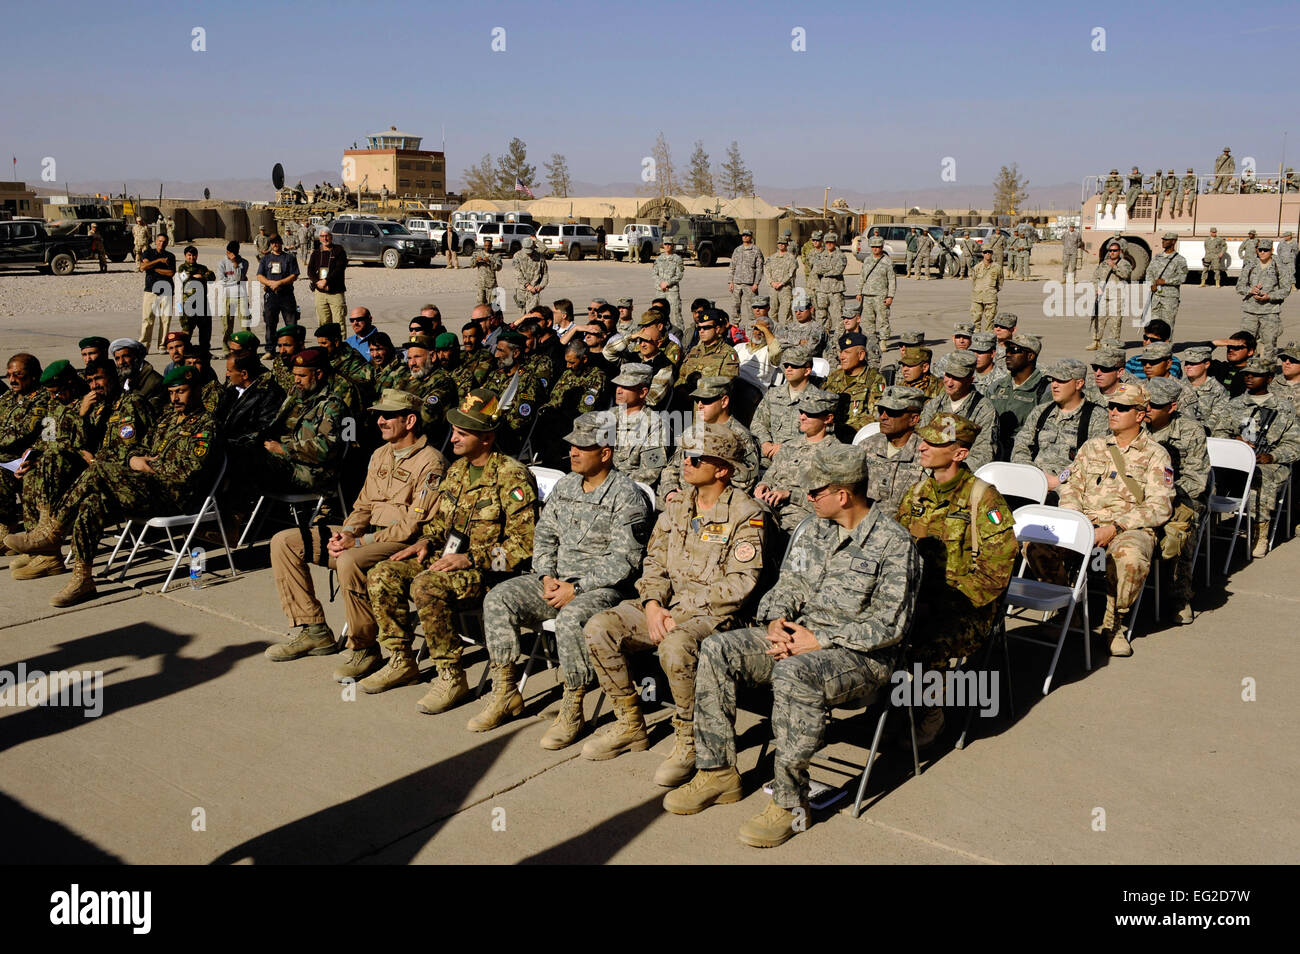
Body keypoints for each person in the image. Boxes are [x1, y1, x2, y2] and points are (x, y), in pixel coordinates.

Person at [663, 441, 918, 847]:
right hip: (799, 639)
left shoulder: (893, 543)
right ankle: (717, 772)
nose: (808, 498)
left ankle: (790, 801)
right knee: (719, 649)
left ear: (843, 494)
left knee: (796, 673)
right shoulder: (814, 530)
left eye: (815, 492)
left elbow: (889, 625)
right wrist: (777, 621)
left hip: (860, 657)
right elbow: (789, 587)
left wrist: (819, 640)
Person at [581, 423, 767, 787]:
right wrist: (652, 604)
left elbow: (741, 584)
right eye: (685, 455)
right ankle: (630, 723)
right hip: (664, 607)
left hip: (715, 616)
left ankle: (689, 738)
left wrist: (678, 612)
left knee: (676, 644)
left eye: (696, 458)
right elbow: (654, 562)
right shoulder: (679, 504)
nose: (686, 462)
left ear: (723, 469)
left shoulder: (746, 513)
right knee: (600, 627)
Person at [473, 411, 652, 744]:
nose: (573, 452)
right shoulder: (567, 485)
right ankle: (505, 691)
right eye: (572, 446)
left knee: (571, 619)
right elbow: (545, 535)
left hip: (600, 590)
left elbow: (626, 560)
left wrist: (577, 588)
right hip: (554, 581)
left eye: (582, 448)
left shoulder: (627, 496)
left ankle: (573, 705)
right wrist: (545, 576)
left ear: (606, 452)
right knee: (499, 598)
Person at [364, 389, 538, 709]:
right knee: (382, 573)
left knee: (426, 584)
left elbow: (523, 546)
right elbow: (440, 524)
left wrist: (471, 558)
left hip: (489, 572)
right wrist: (424, 542)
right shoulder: (457, 470)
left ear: (485, 438)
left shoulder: (511, 475)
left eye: (462, 432)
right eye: (454, 431)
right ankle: (402, 660)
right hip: (446, 560)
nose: (453, 438)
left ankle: (451, 675)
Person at [265, 388, 448, 679]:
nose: (380, 422)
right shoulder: (379, 455)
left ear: (410, 421)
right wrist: (346, 532)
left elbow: (413, 526)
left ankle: (364, 647)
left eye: (388, 416)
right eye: (379, 416)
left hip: (401, 544)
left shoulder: (431, 462)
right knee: (285, 542)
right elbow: (363, 505)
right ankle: (313, 629)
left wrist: (359, 541)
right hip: (365, 537)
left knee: (349, 559)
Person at [7, 366, 220, 607]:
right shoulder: (168, 418)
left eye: (181, 392)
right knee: (92, 502)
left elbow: (190, 472)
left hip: (176, 496)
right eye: (171, 392)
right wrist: (133, 460)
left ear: (197, 390)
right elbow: (140, 448)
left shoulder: (206, 424)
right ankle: (82, 578)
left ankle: (52, 532)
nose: (175, 398)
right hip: (149, 488)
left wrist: (148, 467)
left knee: (98, 470)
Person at [897, 413, 1018, 744]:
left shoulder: (983, 498)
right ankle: (882, 699)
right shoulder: (918, 492)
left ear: (959, 454)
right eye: (924, 440)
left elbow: (996, 571)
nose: (922, 446)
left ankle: (930, 714)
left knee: (925, 643)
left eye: (934, 443)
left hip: (966, 609)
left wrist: (937, 606)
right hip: (915, 598)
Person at [1030, 383, 1174, 656]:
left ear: (1141, 414)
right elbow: (1070, 484)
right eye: (1111, 406)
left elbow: (1160, 505)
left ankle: (1114, 623)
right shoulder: (1092, 446)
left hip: (1128, 526)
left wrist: (1115, 527)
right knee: (1037, 545)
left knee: (1129, 557)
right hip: (1085, 521)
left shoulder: (1156, 454)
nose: (1114, 411)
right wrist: (1074, 516)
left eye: (1122, 407)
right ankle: (1066, 610)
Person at [1211, 357, 1300, 558]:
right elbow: (1219, 431)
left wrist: (1273, 456)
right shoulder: (1234, 404)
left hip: (1267, 462)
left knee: (1262, 477)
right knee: (1207, 472)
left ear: (1269, 378)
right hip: (1234, 459)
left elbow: (1294, 444)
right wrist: (1235, 440)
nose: (1249, 378)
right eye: (1247, 374)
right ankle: (1209, 522)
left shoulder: (1284, 408)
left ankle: (1260, 530)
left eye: (1256, 375)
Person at [1143, 376, 1209, 624]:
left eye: (1154, 405)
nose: (1147, 409)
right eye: (1145, 403)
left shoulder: (1191, 431)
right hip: (1137, 494)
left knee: (1180, 527)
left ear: (1172, 406)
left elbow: (1197, 481)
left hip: (1180, 496)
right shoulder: (1135, 425)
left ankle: (1180, 596)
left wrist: (1161, 493)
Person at [1011, 359, 1108, 495]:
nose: (1054, 385)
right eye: (1053, 380)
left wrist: (1059, 480)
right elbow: (1021, 446)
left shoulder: (1097, 417)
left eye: (1061, 381)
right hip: (1032, 481)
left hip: (1070, 489)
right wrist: (1034, 474)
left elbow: (1094, 460)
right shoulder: (1041, 412)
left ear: (1079, 383)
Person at [755, 388, 842, 531]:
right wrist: (762, 486)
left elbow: (830, 501)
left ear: (828, 418)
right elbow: (771, 475)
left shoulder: (835, 453)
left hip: (800, 516)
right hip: (769, 506)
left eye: (810, 414)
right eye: (801, 412)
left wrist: (789, 495)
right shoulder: (789, 445)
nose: (802, 417)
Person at [920, 351, 999, 472]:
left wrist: (952, 473)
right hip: (930, 470)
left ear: (970, 380)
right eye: (948, 375)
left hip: (961, 475)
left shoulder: (984, 410)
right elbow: (921, 441)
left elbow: (983, 454)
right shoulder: (934, 405)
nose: (949, 382)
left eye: (957, 378)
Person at [0, 354, 49, 538]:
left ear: (34, 375)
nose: (12, 380)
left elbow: (22, 432)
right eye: (9, 375)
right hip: (6, 455)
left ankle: (18, 530)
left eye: (17, 375)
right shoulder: (8, 398)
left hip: (28, 456)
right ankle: (6, 524)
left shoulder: (42, 399)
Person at [859, 385, 927, 514]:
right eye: (881, 410)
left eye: (892, 412)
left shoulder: (926, 453)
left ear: (914, 419)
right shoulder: (866, 447)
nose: (883, 417)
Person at [988, 333, 1049, 459]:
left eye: (1014, 350)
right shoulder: (996, 387)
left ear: (1030, 356)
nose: (1008, 354)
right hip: (994, 454)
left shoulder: (1044, 391)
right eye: (1007, 350)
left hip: (1024, 456)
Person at [608, 363, 668, 485]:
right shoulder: (609, 415)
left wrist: (613, 484)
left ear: (642, 392)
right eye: (618, 385)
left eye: (626, 386)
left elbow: (651, 471)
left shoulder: (655, 424)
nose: (619, 390)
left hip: (628, 488)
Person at [824, 331, 885, 437]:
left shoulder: (874, 380)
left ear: (861, 355)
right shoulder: (834, 377)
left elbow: (876, 416)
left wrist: (846, 429)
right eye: (842, 352)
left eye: (847, 352)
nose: (842, 357)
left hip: (855, 435)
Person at [1239, 240, 1289, 362]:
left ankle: (1268, 372)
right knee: (1246, 342)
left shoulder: (1279, 266)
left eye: (1265, 250)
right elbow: (1239, 286)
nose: (1262, 252)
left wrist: (1269, 296)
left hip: (1270, 311)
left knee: (1269, 344)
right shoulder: (1250, 264)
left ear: (1271, 251)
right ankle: (1248, 369)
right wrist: (1251, 290)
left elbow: (1286, 289)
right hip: (1250, 311)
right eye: (1260, 249)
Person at [1089, 242, 1132, 350]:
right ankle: (1096, 341)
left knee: (1115, 321)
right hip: (1102, 296)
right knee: (1099, 320)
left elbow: (1126, 275)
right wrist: (1096, 288)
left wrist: (1114, 267)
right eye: (1110, 250)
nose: (1112, 253)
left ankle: (1113, 343)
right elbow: (1095, 277)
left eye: (1114, 250)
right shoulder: (1103, 264)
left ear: (1120, 252)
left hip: (1116, 297)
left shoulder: (1124, 264)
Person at [138, 234, 177, 352]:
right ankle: (144, 345)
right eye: (160, 241)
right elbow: (143, 267)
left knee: (165, 320)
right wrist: (159, 261)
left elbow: (170, 273)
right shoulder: (148, 253)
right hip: (151, 291)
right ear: (156, 241)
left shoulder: (170, 256)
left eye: (164, 242)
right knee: (147, 319)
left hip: (166, 291)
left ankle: (162, 344)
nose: (162, 244)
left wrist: (154, 268)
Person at [1145, 232, 1188, 331]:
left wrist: (1165, 281)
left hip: (1170, 298)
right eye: (1163, 240)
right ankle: (1155, 345)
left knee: (1167, 325)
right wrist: (1151, 285)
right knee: (1154, 324)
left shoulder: (1180, 260)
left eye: (1166, 240)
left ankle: (1166, 346)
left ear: (1173, 241)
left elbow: (1183, 277)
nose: (1163, 242)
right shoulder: (1157, 257)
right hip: (1156, 296)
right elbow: (1149, 272)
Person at [111, 338, 167, 414]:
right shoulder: (119, 380)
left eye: (126, 356)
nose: (121, 362)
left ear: (136, 358)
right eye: (117, 358)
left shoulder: (155, 382)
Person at [216, 241, 251, 351]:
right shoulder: (222, 263)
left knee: (245, 322)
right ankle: (226, 347)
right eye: (230, 253)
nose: (231, 255)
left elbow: (240, 278)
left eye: (234, 253)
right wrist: (235, 281)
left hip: (241, 296)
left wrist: (235, 264)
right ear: (227, 252)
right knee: (227, 324)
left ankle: (246, 347)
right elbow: (222, 281)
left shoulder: (244, 262)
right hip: (227, 296)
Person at [307, 228, 348, 324]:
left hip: (336, 292)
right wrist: (318, 282)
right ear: (319, 238)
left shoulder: (339, 250)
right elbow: (310, 271)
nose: (325, 238)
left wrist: (326, 281)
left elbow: (339, 269)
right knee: (323, 324)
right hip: (320, 292)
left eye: (327, 236)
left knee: (339, 324)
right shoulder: (316, 253)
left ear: (331, 237)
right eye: (322, 236)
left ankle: (340, 340)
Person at [652, 237, 686, 344]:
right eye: (666, 244)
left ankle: (680, 338)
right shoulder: (659, 259)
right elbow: (654, 273)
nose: (667, 246)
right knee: (657, 314)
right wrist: (660, 283)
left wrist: (668, 283)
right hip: (660, 291)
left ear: (673, 245)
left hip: (672, 290)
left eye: (669, 244)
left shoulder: (677, 259)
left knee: (676, 314)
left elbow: (679, 274)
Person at [729, 229, 765, 321]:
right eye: (743, 235)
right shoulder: (737, 250)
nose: (744, 237)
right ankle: (735, 326)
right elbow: (732, 266)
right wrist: (730, 282)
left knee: (752, 306)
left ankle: (753, 327)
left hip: (750, 284)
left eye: (747, 235)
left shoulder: (756, 250)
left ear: (751, 237)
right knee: (735, 306)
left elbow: (759, 268)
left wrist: (756, 283)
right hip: (737, 283)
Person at [813, 232, 846, 330]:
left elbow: (838, 270)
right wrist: (830, 268)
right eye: (827, 242)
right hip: (822, 290)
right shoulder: (820, 255)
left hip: (836, 290)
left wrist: (825, 272)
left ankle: (839, 340)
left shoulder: (841, 256)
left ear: (835, 242)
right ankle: (824, 336)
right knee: (821, 315)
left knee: (838, 316)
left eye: (831, 242)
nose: (829, 244)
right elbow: (816, 269)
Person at [513, 237, 549, 316]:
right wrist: (527, 285)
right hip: (521, 290)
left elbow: (545, 274)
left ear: (533, 246)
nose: (528, 253)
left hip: (534, 291)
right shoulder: (517, 256)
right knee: (522, 315)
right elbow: (517, 273)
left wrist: (541, 286)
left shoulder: (539, 256)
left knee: (532, 314)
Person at [766, 235, 798, 322]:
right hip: (773, 288)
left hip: (785, 288)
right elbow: (767, 271)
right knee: (772, 311)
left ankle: (787, 332)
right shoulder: (772, 258)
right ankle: (775, 330)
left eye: (783, 243)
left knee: (786, 312)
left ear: (787, 245)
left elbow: (791, 273)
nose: (781, 245)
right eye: (779, 243)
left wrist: (782, 283)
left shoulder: (791, 258)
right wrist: (772, 282)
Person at [969, 247, 1002, 332]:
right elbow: (974, 281)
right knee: (976, 319)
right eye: (985, 252)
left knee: (990, 320)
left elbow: (1000, 282)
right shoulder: (977, 267)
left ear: (992, 253)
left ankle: (988, 338)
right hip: (977, 296)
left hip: (990, 296)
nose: (988, 254)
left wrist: (992, 290)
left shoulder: (997, 267)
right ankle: (976, 337)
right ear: (982, 253)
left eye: (989, 252)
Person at [470, 238, 501, 306]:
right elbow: (471, 265)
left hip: (491, 284)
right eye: (486, 245)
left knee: (493, 305)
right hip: (481, 283)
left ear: (491, 246)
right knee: (481, 305)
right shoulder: (478, 254)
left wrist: (489, 262)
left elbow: (499, 267)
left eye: (489, 245)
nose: (487, 247)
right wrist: (476, 260)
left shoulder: (496, 255)